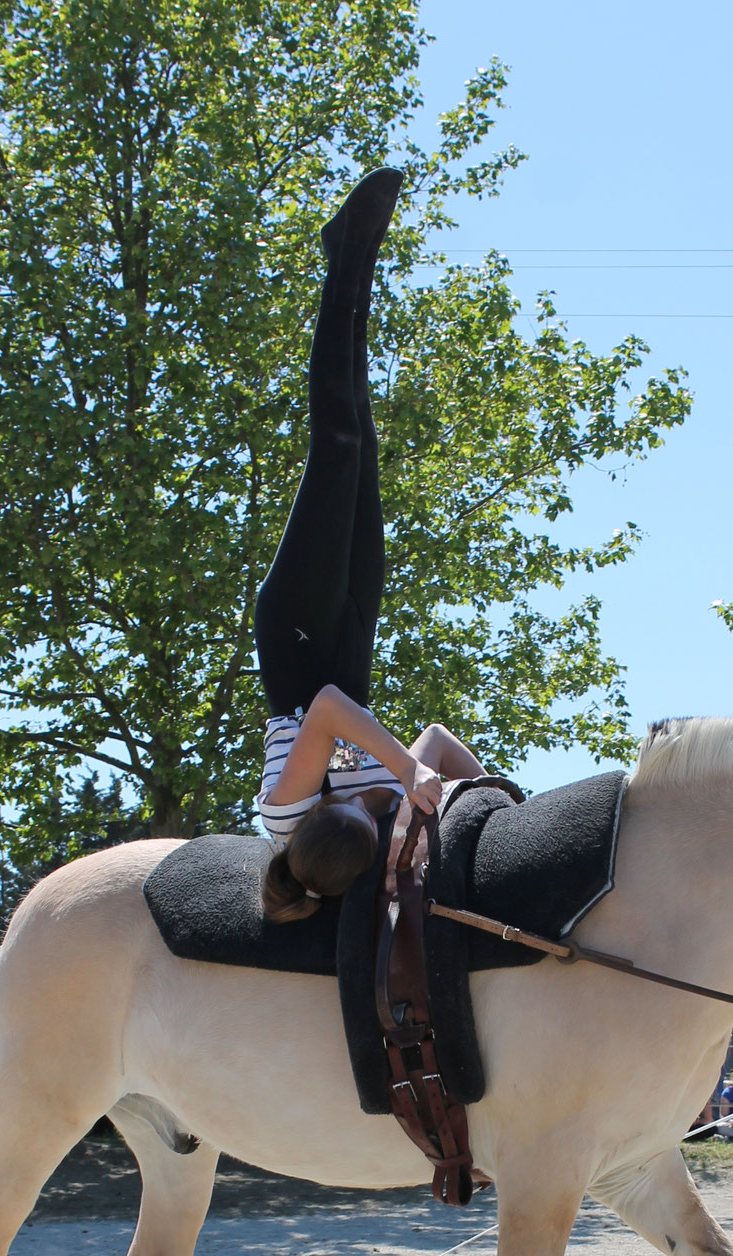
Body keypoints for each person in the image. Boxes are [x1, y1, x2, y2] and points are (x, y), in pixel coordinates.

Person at [253, 169, 485, 920]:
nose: (376, 800)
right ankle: (358, 262)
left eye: (366, 805)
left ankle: (345, 258)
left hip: (298, 646)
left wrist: (404, 773)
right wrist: (485, 807)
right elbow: (439, 743)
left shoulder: (287, 819)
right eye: (377, 810)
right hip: (350, 658)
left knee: (339, 445)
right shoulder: (374, 829)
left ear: (326, 817)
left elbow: (325, 709)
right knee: (366, 443)